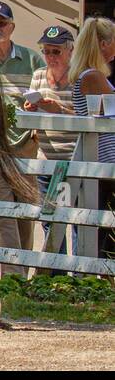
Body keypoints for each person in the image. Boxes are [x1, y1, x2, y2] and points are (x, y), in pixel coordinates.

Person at [0, 1, 43, 274]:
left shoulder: (32, 59)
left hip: (25, 144)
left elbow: (47, 91)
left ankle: (24, 269)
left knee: (26, 211)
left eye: (1, 23)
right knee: (2, 210)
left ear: (12, 26)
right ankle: (12, 276)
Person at [23, 25, 77, 259]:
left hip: (74, 157)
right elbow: (31, 112)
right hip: (46, 157)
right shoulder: (38, 76)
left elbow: (89, 117)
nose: (51, 57)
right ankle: (56, 268)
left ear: (70, 50)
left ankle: (79, 273)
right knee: (49, 217)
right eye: (47, 51)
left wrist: (60, 110)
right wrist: (32, 107)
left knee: (76, 218)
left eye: (56, 51)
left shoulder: (80, 77)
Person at [69, 16, 115, 261]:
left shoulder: (87, 75)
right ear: (104, 44)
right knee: (105, 233)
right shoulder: (93, 76)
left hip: (101, 161)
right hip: (105, 162)